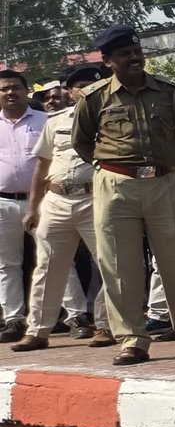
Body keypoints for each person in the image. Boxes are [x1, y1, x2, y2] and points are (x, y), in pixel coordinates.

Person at [71, 25, 175, 364]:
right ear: (108, 61)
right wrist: (117, 168)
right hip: (115, 186)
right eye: (124, 54)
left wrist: (162, 164)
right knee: (119, 265)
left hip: (166, 182)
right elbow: (82, 142)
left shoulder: (169, 91)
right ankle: (132, 339)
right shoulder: (94, 97)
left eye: (136, 52)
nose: (134, 58)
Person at [12, 65, 110, 352]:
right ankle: (38, 331)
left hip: (96, 199)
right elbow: (42, 166)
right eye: (77, 86)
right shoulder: (55, 121)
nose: (83, 91)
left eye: (91, 85)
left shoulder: (113, 119)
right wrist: (33, 207)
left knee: (111, 265)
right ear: (69, 91)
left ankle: (105, 325)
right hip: (56, 199)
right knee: (47, 266)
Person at [0, 68, 48, 341]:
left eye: (15, 87)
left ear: (26, 91)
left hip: (43, 202)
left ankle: (75, 315)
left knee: (53, 258)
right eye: (4, 88)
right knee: (7, 265)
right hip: (4, 202)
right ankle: (14, 319)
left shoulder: (45, 121)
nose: (10, 92)